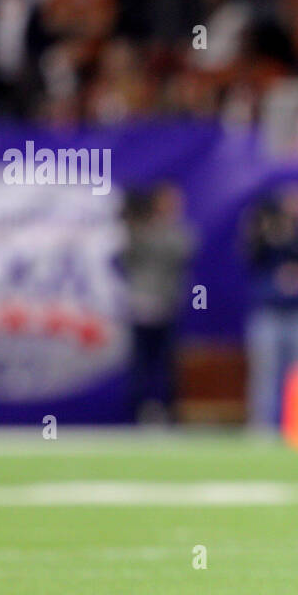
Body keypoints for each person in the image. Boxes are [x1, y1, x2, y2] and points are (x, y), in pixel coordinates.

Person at [241, 183, 298, 430]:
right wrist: (264, 226)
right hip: (270, 313)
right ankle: (262, 429)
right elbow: (252, 254)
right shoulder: (265, 237)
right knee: (265, 376)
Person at [120, 182, 196, 424]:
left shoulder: (175, 231)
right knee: (140, 365)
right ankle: (137, 414)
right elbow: (126, 256)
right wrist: (134, 224)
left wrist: (156, 227)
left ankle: (167, 414)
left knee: (166, 365)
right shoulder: (138, 230)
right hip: (141, 305)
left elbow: (183, 249)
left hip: (166, 306)